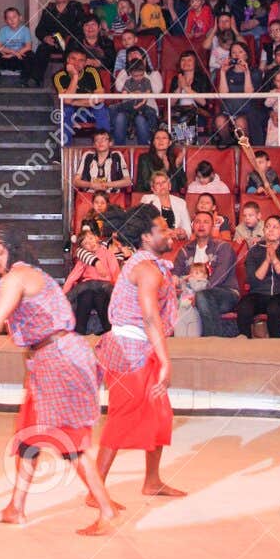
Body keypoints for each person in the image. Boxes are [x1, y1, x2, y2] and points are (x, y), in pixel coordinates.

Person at [0, 224, 118, 534]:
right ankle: (16, 508)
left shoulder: (14, 278)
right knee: (29, 437)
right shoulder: (33, 274)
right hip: (54, 358)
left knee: (69, 441)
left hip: (58, 359)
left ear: (3, 250)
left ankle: (107, 509)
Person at [94, 206, 184, 499]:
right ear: (146, 237)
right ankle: (95, 490)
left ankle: (152, 481)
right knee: (123, 417)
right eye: (162, 229)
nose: (169, 232)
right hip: (129, 351)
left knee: (159, 414)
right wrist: (166, 362)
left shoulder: (149, 265)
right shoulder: (145, 269)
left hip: (141, 348)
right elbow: (149, 317)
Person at [173, 211, 239, 337]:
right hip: (192, 294)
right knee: (182, 301)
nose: (201, 225)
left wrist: (196, 294)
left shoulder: (223, 247)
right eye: (197, 222)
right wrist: (176, 281)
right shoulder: (185, 250)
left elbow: (220, 276)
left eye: (206, 222)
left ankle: (212, 341)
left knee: (202, 296)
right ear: (193, 226)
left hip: (225, 292)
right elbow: (176, 273)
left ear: (212, 225)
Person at [238, 217, 280, 337]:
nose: (270, 230)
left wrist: (275, 260)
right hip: (259, 293)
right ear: (263, 230)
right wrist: (267, 261)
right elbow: (253, 281)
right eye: (268, 226)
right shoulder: (255, 250)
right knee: (244, 306)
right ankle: (244, 341)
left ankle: (275, 343)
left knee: (274, 307)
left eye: (275, 227)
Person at [27, 0, 87, 87]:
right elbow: (39, 29)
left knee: (72, 48)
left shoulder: (76, 7)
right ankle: (35, 79)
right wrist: (45, 38)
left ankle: (69, 80)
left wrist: (67, 38)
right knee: (42, 48)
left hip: (71, 41)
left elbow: (81, 26)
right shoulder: (49, 10)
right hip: (54, 42)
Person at [63, 224, 119, 335]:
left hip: (104, 287)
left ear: (97, 238)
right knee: (86, 295)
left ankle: (108, 329)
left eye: (91, 239)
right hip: (87, 287)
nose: (90, 243)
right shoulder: (85, 258)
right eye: (86, 244)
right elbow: (73, 276)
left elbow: (115, 273)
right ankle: (80, 330)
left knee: (100, 296)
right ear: (83, 248)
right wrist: (64, 293)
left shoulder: (107, 254)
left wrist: (117, 290)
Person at [54, 49, 109, 138]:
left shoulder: (92, 72)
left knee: (101, 109)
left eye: (81, 60)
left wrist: (74, 101)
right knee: (66, 110)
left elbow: (100, 98)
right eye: (73, 59)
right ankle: (66, 149)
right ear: (68, 60)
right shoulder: (59, 76)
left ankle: (104, 144)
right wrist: (75, 76)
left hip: (90, 110)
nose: (76, 63)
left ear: (85, 62)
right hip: (73, 111)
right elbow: (67, 100)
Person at [112, 47, 162, 145]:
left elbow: (157, 90)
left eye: (136, 54)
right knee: (120, 117)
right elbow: (118, 87)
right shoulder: (124, 73)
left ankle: (144, 149)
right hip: (128, 108)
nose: (133, 56)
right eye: (130, 55)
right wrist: (131, 73)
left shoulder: (154, 73)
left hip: (147, 108)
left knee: (140, 119)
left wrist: (143, 71)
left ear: (144, 57)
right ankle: (118, 149)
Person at [74, 131, 131, 198]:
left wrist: (106, 185)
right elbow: (75, 181)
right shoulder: (87, 156)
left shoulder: (117, 155)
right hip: (90, 195)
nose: (100, 142)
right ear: (94, 144)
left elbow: (127, 181)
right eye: (97, 140)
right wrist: (91, 185)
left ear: (110, 143)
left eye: (104, 139)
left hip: (112, 195)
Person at [140, 172, 191, 244]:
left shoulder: (181, 202)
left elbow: (188, 229)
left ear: (169, 185)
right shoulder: (147, 200)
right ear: (153, 188)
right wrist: (166, 233)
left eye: (164, 182)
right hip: (155, 242)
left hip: (176, 241)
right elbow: (145, 226)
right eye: (157, 183)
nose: (161, 185)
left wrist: (183, 233)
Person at [0, 6, 32, 85]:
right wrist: (12, 52)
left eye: (14, 17)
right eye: (9, 18)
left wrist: (12, 55)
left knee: (30, 54)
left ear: (20, 18)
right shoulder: (3, 30)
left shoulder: (25, 30)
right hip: (6, 59)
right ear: (6, 21)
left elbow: (28, 47)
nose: (12, 20)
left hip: (19, 59)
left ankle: (24, 78)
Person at [136, 127, 187, 194]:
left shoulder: (174, 159)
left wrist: (177, 165)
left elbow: (182, 184)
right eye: (157, 138)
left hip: (171, 197)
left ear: (170, 143)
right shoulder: (144, 158)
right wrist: (165, 170)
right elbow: (146, 185)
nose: (161, 140)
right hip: (150, 196)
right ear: (153, 142)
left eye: (164, 138)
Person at [174, 263, 209, 336]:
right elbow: (178, 282)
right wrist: (184, 278)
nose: (193, 275)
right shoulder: (187, 283)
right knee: (179, 337)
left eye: (197, 273)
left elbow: (196, 288)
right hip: (181, 313)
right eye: (191, 273)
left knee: (193, 339)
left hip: (194, 314)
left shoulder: (204, 283)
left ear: (205, 276)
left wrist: (191, 279)